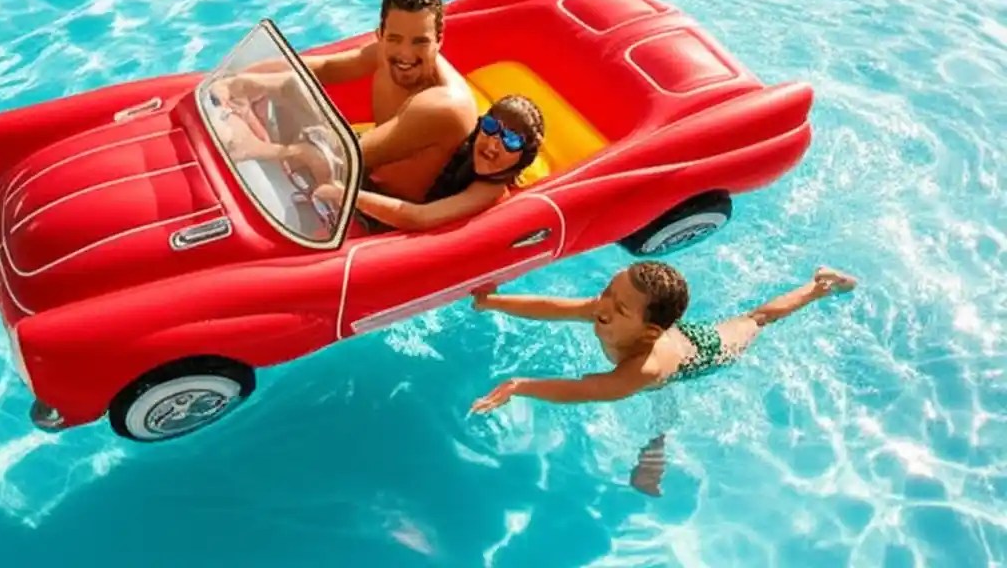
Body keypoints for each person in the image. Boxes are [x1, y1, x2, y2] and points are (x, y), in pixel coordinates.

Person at [468, 261, 859, 496]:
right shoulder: (608, 310)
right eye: (607, 291)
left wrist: (521, 386)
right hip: (672, 338)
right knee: (662, 398)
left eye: (617, 306)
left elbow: (590, 390)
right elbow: (554, 308)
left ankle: (821, 285)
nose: (600, 305)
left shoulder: (643, 368)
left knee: (756, 319)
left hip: (706, 353)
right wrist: (493, 302)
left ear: (648, 331)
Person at [221, 0, 480, 202]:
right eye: (394, 39)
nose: (405, 53)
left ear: (439, 40)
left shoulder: (442, 105)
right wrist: (242, 78)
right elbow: (325, 67)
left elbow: (344, 158)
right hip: (361, 173)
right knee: (292, 87)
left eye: (420, 42)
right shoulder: (383, 53)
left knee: (290, 94)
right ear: (380, 35)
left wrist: (256, 149)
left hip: (384, 213)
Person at [312, 94, 545, 232]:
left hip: (385, 215)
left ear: (524, 156)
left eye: (512, 141)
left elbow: (419, 217)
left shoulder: (490, 189)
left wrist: (346, 194)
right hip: (376, 183)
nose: (493, 145)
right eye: (491, 127)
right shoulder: (461, 138)